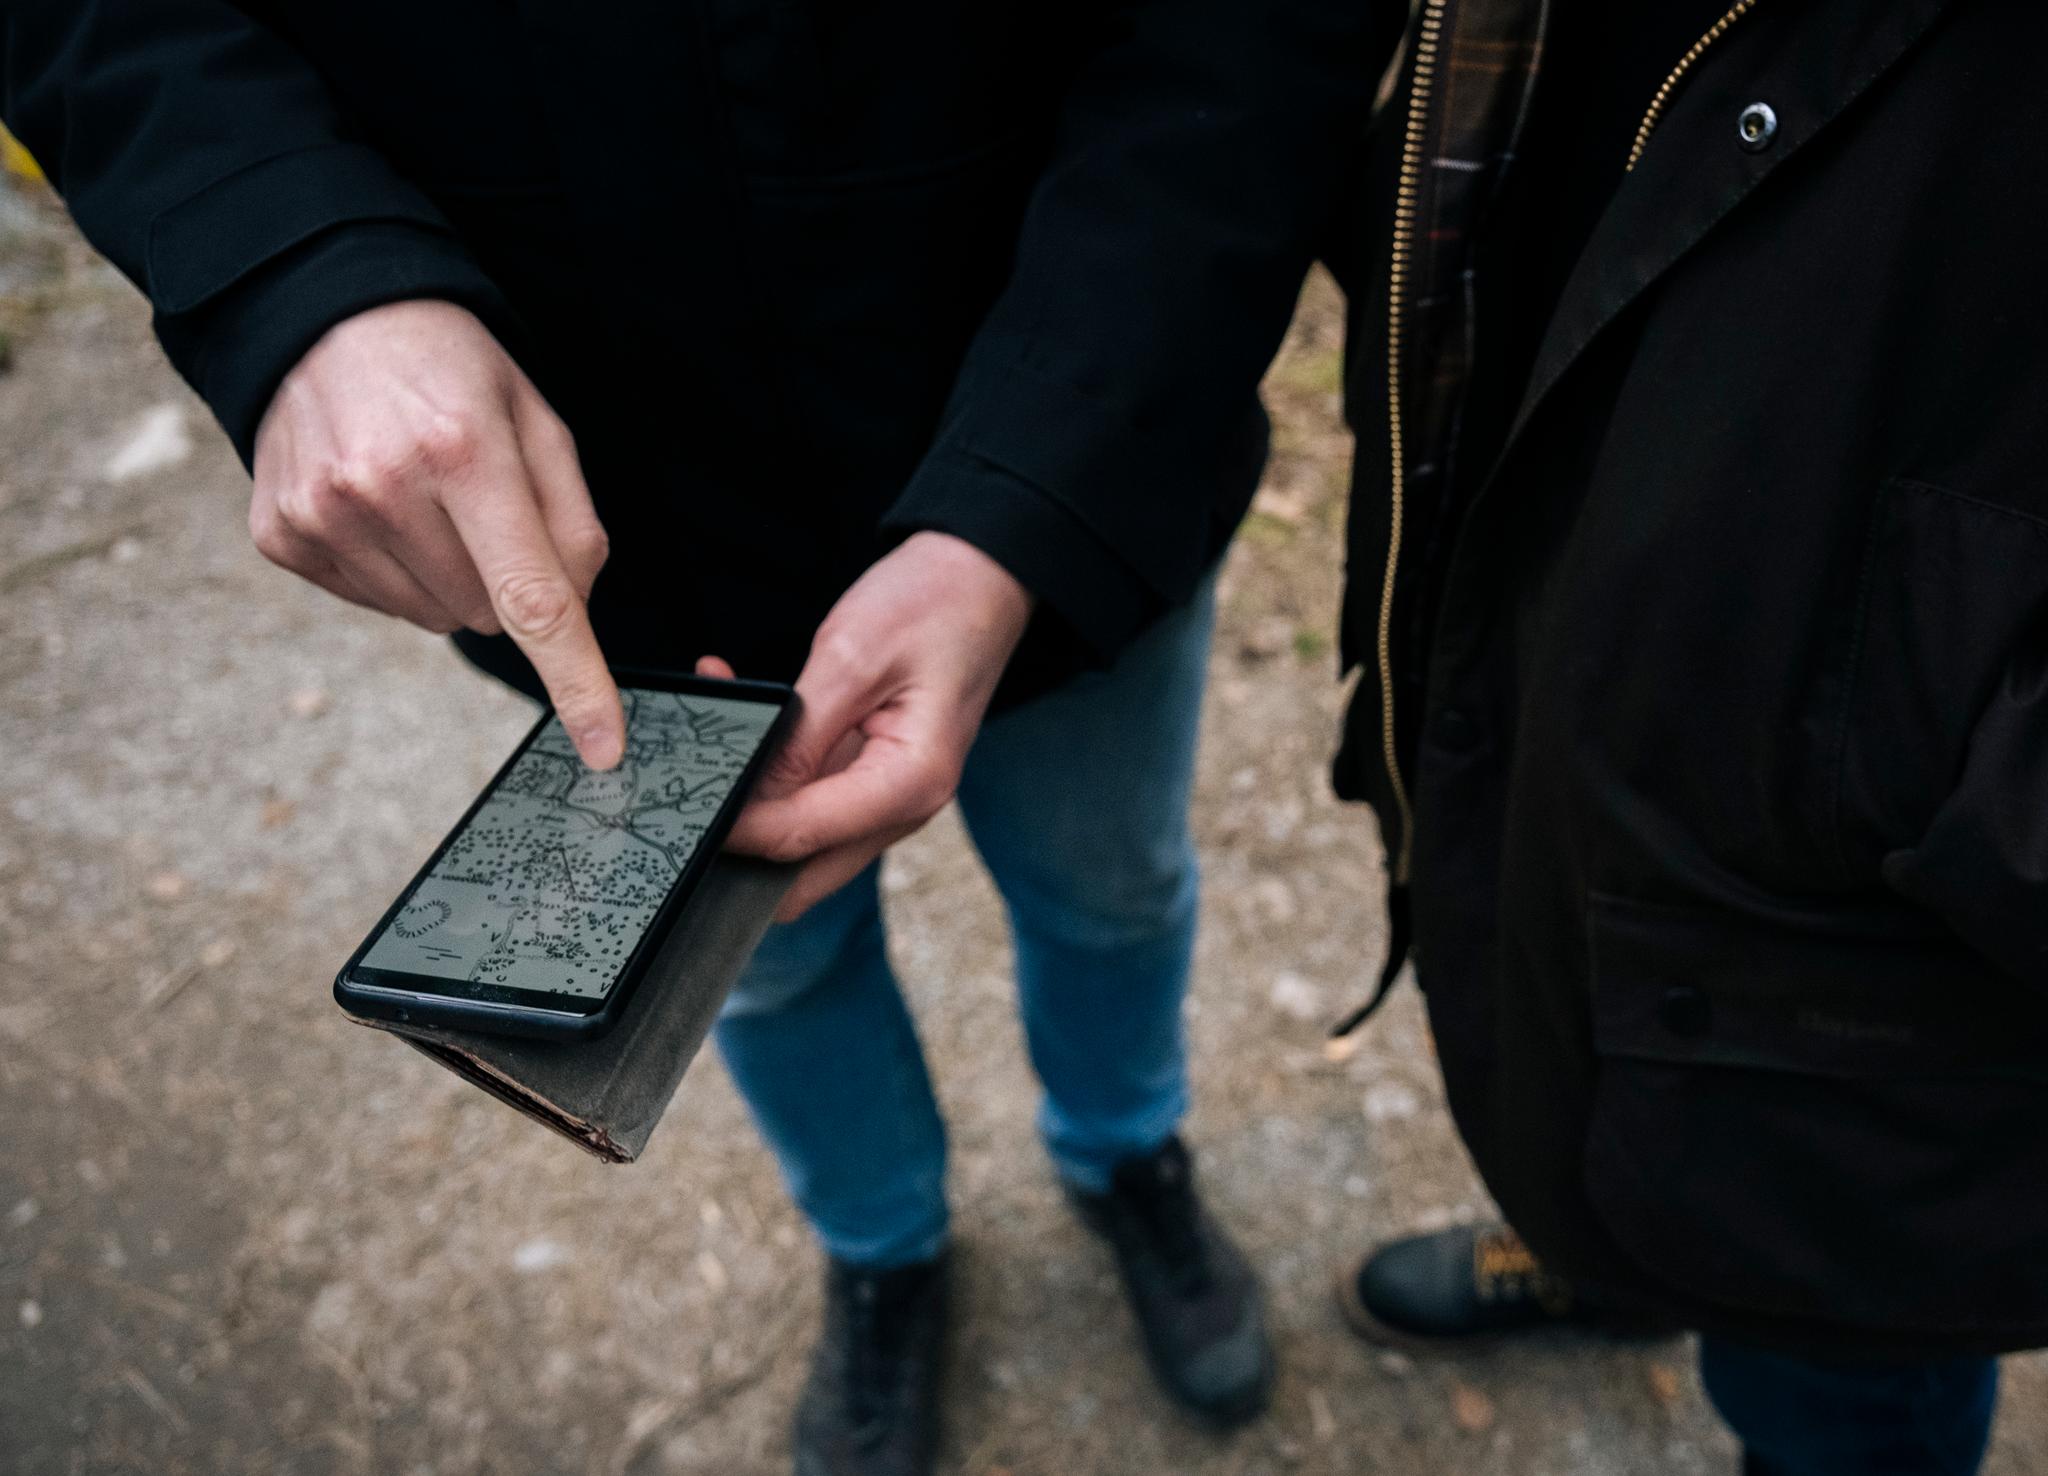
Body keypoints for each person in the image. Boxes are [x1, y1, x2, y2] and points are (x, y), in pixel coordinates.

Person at [0, 3, 1376, 1472]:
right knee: (766, 961)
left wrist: (1034, 494)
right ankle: (884, 1245)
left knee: (1110, 886)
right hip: (613, 535)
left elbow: (1251, 36)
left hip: (1078, 453)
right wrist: (298, 265)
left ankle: (1126, 1156)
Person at [753, 3, 2048, 1472]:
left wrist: (1918, 745)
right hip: (1586, 701)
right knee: (1594, 1066)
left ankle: (1210, 1170)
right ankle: (1607, 1244)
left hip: (1873, 963)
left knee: (1840, 1370)